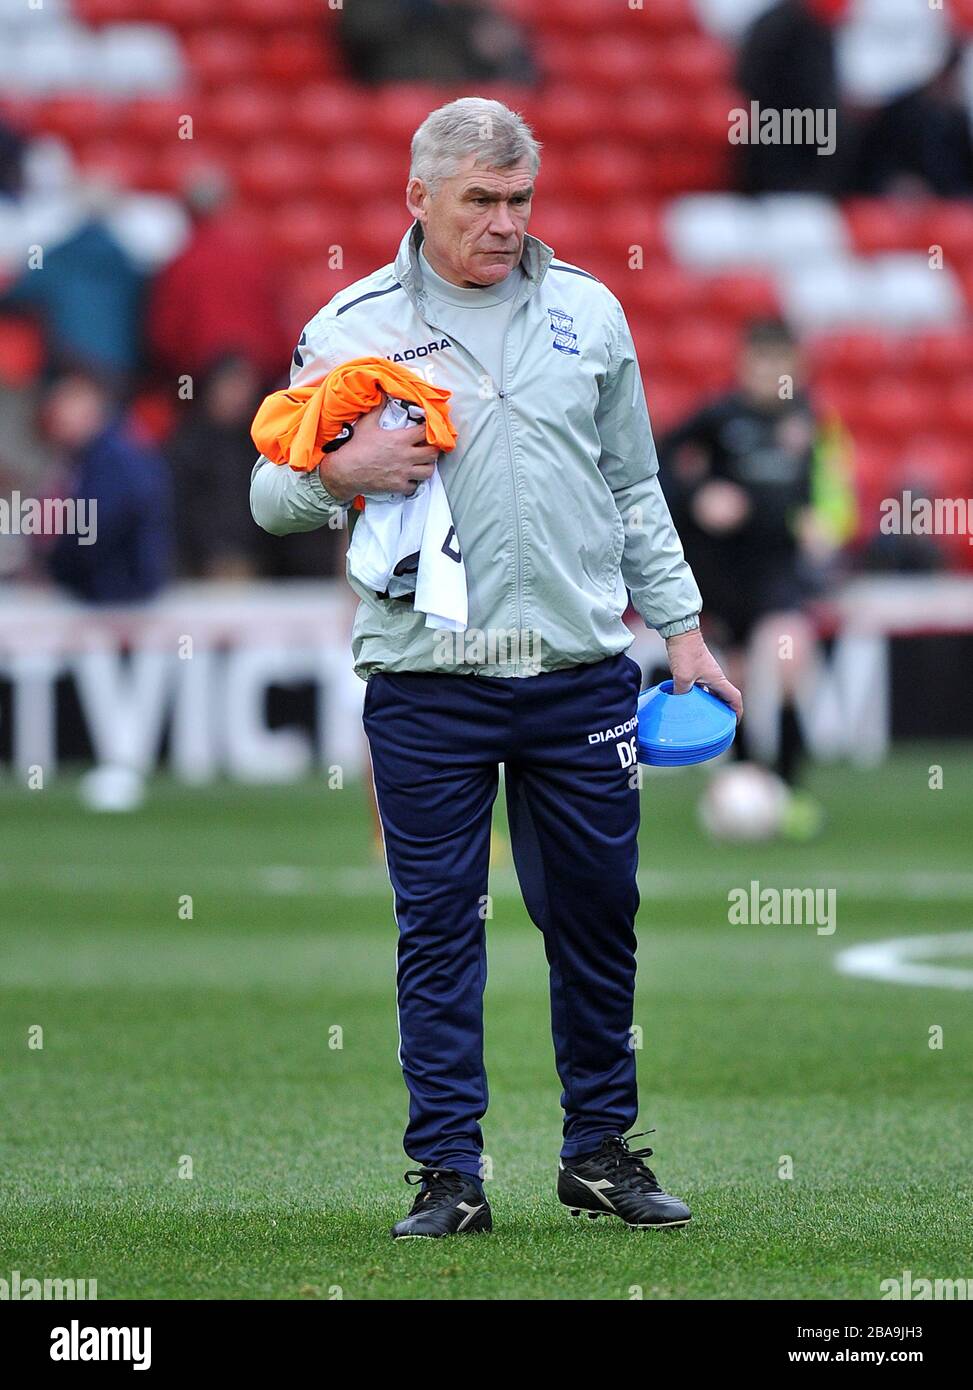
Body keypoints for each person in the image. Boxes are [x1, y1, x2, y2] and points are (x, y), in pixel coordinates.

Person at [251, 97, 741, 1239]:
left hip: (578, 673)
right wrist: (346, 466)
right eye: (480, 201)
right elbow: (269, 495)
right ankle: (447, 1174)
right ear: (417, 199)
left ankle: (600, 1153)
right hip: (428, 680)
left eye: (520, 200)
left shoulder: (589, 311)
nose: (505, 223)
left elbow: (632, 486)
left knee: (597, 920)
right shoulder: (348, 327)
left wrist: (681, 627)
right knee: (437, 924)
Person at [658, 319, 824, 836]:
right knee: (739, 678)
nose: (773, 375)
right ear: (744, 366)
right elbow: (657, 460)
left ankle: (791, 787)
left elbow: (816, 493)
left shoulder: (808, 421)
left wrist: (817, 520)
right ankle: (748, 779)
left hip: (777, 571)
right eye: (762, 364)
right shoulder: (718, 416)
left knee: (790, 654)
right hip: (722, 574)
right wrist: (700, 494)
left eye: (782, 364)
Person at [42, 371, 172, 604]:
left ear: (90, 408)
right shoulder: (96, 457)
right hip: (117, 594)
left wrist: (54, 563)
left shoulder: (115, 460)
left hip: (118, 597)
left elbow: (95, 531)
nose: (59, 420)